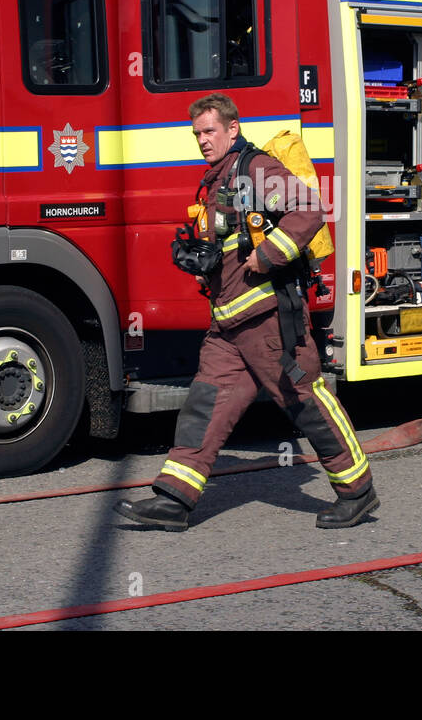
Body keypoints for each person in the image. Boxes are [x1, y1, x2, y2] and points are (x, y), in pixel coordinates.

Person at [115, 94, 377, 531]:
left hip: (269, 321)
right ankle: (174, 499)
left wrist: (268, 255)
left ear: (232, 129)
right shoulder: (218, 179)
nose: (202, 140)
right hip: (229, 325)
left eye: (210, 131)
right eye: (197, 133)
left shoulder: (254, 168)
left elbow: (309, 209)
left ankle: (357, 491)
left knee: (306, 401)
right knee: (204, 406)